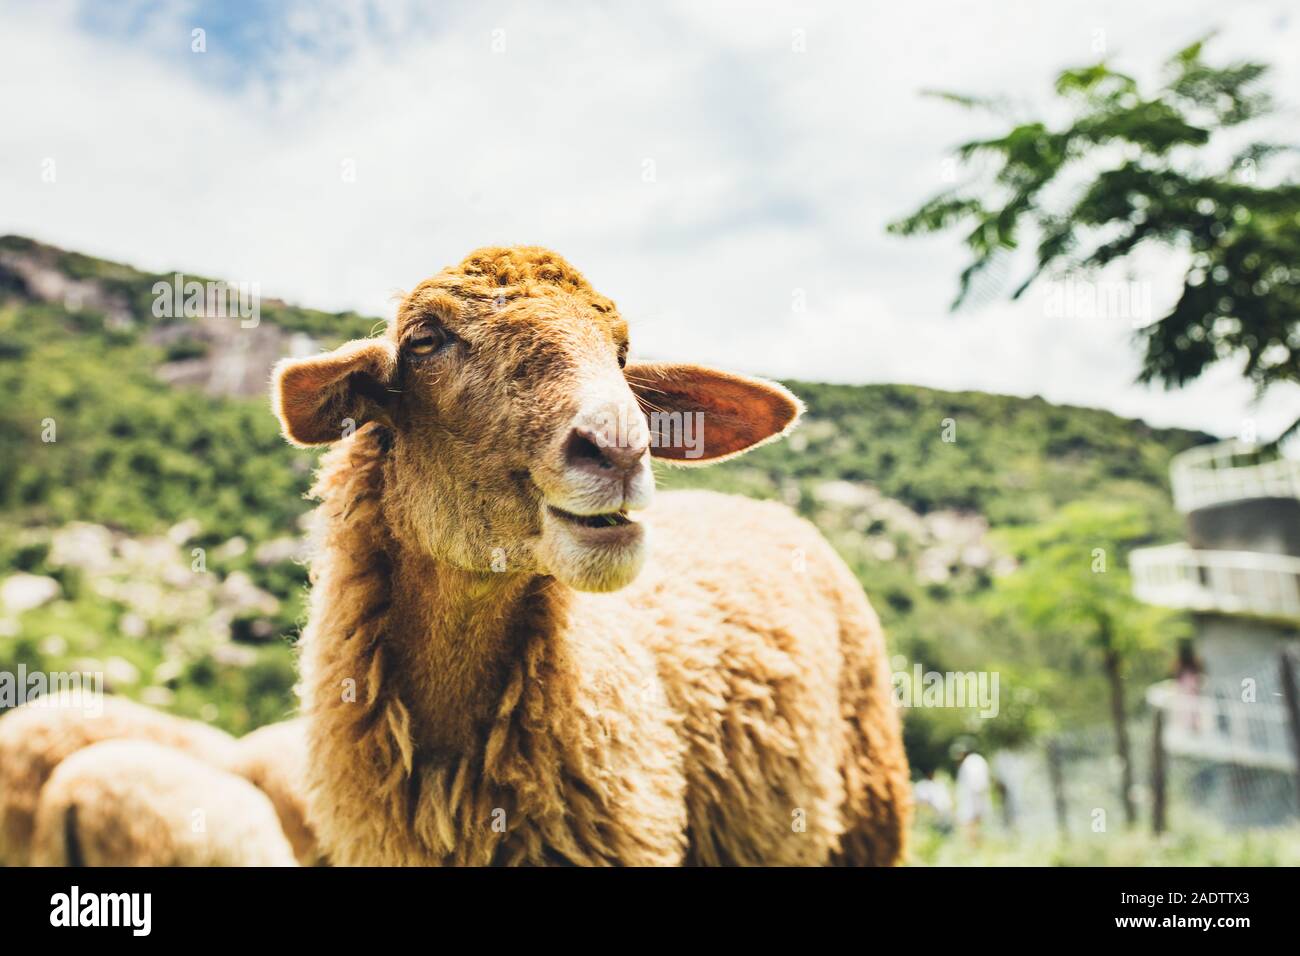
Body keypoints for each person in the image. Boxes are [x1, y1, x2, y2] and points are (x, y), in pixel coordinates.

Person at [951, 737, 992, 842]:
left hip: (973, 803)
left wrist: (976, 807)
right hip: (975, 802)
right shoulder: (976, 761)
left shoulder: (971, 762)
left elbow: (976, 785)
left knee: (973, 829)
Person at [912, 768, 953, 832]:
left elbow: (947, 801)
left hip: (942, 812)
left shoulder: (939, 785)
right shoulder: (921, 785)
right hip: (929, 813)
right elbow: (920, 801)